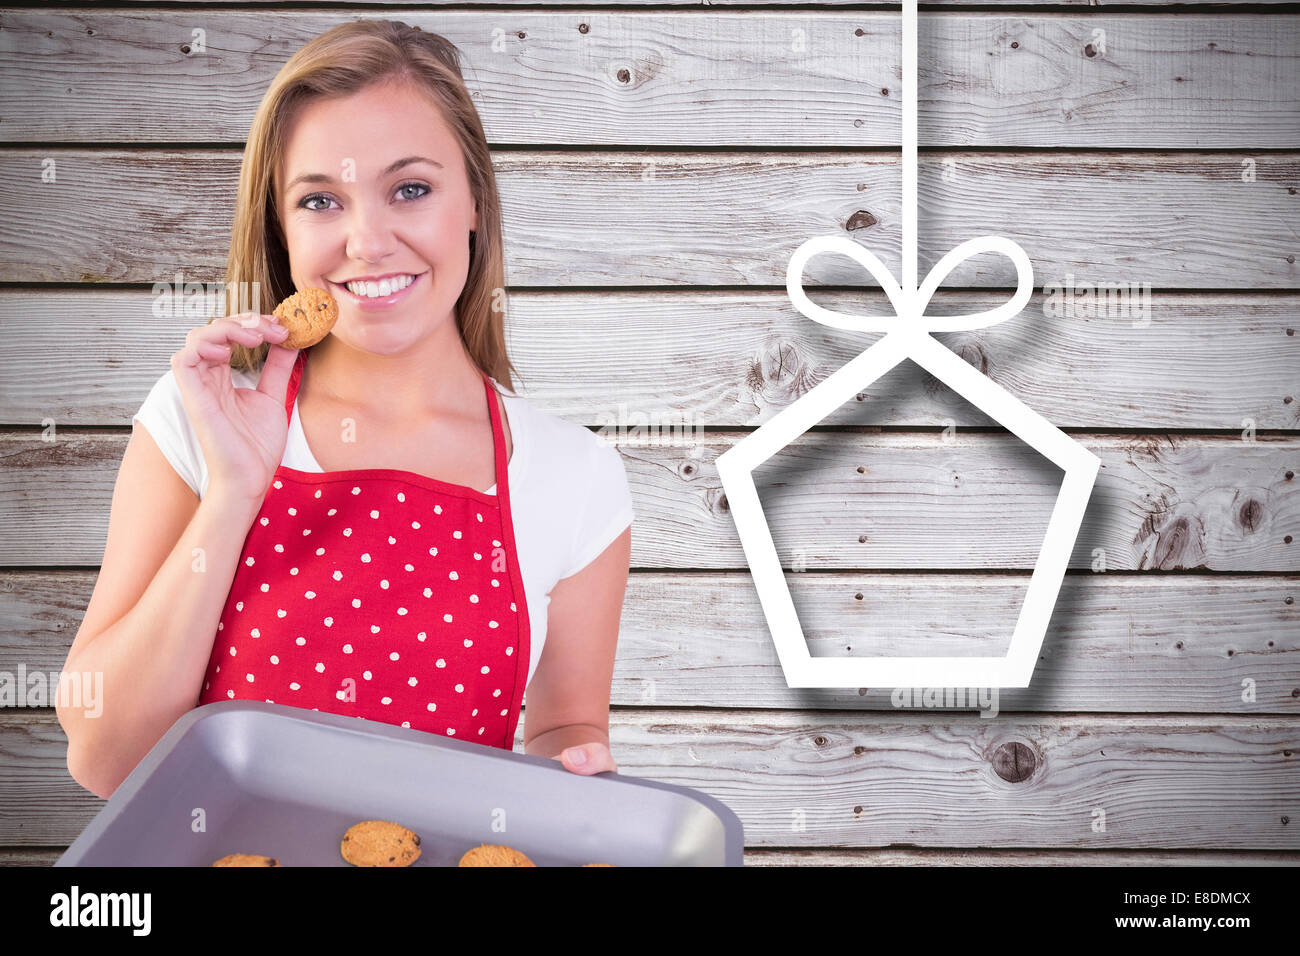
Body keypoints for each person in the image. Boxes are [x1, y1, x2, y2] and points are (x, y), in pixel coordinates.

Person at [57, 21, 633, 799]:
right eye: (321, 200)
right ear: (282, 227)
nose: (367, 243)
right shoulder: (198, 419)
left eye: (410, 190)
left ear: (473, 200)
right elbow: (105, 759)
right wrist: (232, 495)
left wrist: (587, 778)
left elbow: (566, 734)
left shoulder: (576, 474)